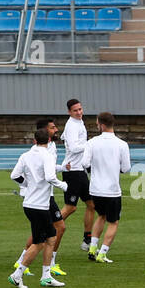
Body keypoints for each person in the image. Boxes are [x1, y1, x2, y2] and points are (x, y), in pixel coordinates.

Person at [8, 123, 69, 288]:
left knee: (46, 239)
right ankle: (20, 274)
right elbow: (50, 177)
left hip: (28, 204)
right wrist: (63, 185)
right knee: (43, 241)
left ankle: (42, 275)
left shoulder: (26, 155)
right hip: (40, 205)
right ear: (48, 140)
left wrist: (27, 184)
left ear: (35, 140)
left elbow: (14, 175)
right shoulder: (47, 155)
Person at [83, 111, 130, 263]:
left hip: (95, 189)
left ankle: (92, 247)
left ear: (101, 125)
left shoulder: (92, 142)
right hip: (112, 190)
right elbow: (126, 168)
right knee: (113, 221)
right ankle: (102, 253)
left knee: (101, 216)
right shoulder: (122, 144)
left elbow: (84, 163)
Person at [61, 98, 95, 251]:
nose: (79, 112)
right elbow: (74, 147)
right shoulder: (71, 125)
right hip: (73, 171)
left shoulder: (78, 122)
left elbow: (65, 139)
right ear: (69, 112)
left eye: (80, 109)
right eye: (75, 110)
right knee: (70, 207)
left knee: (91, 204)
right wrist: (90, 144)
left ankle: (87, 240)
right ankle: (46, 228)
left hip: (79, 170)